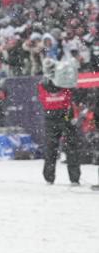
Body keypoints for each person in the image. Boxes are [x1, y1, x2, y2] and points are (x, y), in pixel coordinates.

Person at [39, 58, 82, 186]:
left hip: (50, 116)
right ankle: (74, 178)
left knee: (51, 149)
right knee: (71, 147)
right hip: (65, 115)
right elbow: (74, 92)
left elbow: (43, 99)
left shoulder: (41, 85)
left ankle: (49, 177)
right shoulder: (65, 84)